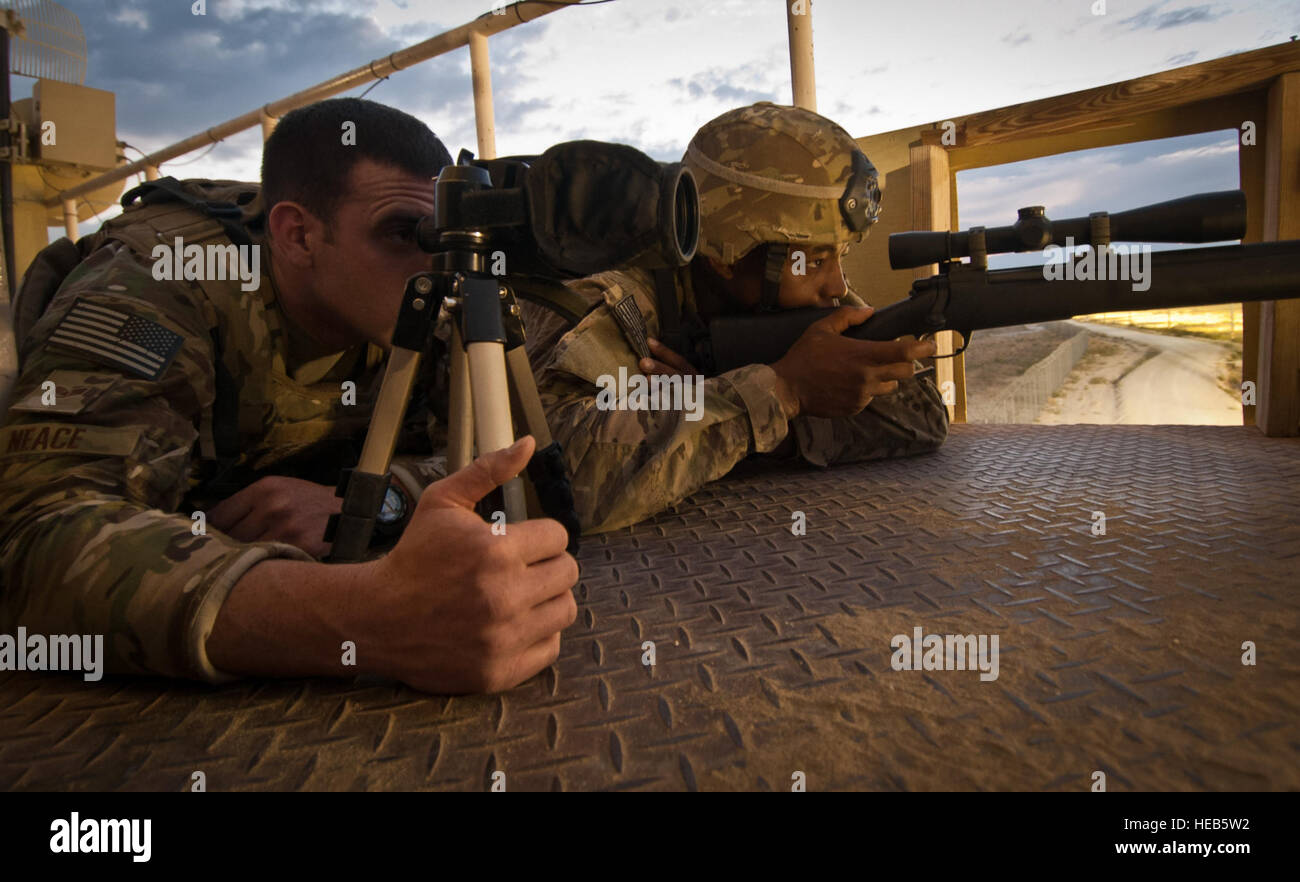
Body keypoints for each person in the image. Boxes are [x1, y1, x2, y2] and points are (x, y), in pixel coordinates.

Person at [0, 98, 578, 694]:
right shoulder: (162, 284)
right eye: (404, 233)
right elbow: (31, 538)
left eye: (440, 234)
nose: (435, 263)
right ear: (298, 234)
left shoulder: (427, 296)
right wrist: (363, 618)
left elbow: (525, 461)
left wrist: (388, 499)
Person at [520, 102, 949, 533]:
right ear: (727, 255)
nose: (837, 285)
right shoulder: (616, 302)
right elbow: (546, 479)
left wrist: (731, 405)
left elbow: (924, 416)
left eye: (840, 255)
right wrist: (779, 390)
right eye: (815, 260)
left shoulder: (808, 301)